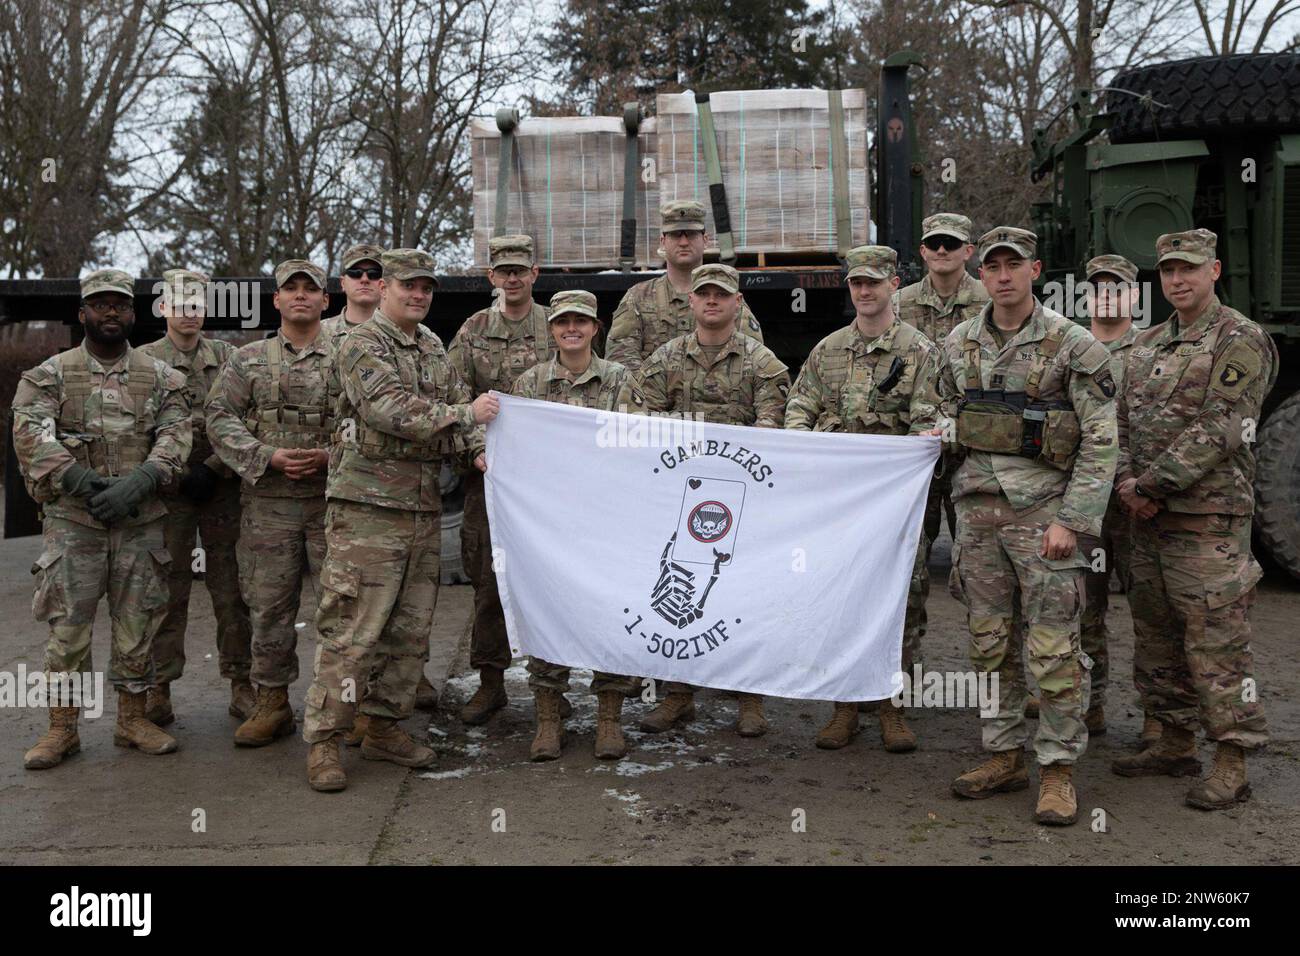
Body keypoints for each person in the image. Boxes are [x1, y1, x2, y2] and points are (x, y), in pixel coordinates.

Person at [934, 227, 1117, 826]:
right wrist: (937, 430)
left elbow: (1101, 439)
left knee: (1053, 647)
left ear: (1035, 269)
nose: (1004, 275)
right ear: (980, 274)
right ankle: (1004, 753)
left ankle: (1058, 770)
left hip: (1044, 516)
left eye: (1014, 264)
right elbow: (939, 407)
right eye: (993, 266)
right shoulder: (959, 342)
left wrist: (1075, 520)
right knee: (989, 645)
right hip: (977, 515)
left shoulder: (1073, 345)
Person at [302, 248, 495, 792]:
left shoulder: (433, 346)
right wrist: (465, 417)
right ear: (384, 288)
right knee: (351, 633)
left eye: (426, 288)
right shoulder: (361, 344)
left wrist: (477, 450)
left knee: (409, 634)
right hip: (367, 511)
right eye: (408, 285)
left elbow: (458, 409)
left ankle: (385, 727)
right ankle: (325, 741)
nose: (418, 295)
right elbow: (387, 409)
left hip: (421, 508)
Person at [1111, 229, 1275, 810]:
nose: (1177, 280)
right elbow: (1121, 425)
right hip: (1147, 520)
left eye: (1189, 269)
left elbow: (1223, 426)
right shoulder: (1146, 345)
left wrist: (1149, 485)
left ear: (1215, 270)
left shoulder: (1241, 340)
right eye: (1168, 271)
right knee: (1156, 635)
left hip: (1208, 523)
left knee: (1217, 642)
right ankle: (1174, 740)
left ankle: (1232, 759)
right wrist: (1129, 484)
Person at [14, 268, 192, 768]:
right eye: (100, 304)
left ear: (133, 315)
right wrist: (81, 481)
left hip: (140, 521)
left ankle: (132, 718)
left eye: (119, 304)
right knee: (68, 628)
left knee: (139, 623)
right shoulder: (48, 375)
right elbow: (30, 433)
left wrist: (143, 480)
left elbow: (177, 433)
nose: (110, 312)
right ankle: (61, 728)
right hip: (75, 523)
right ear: (82, 314)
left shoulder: (163, 378)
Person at [618, 263, 790, 738]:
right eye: (704, 294)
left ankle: (749, 697)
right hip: (680, 502)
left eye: (722, 295)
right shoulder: (666, 360)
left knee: (745, 594)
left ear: (738, 304)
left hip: (742, 504)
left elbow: (777, 420)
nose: (712, 301)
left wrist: (762, 432)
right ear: (691, 303)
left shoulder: (762, 363)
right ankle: (678, 695)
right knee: (678, 589)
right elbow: (637, 417)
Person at [785, 245, 940, 753]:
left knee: (901, 601)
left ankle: (892, 705)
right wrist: (812, 444)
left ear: (895, 284)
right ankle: (845, 706)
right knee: (842, 601)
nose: (866, 291)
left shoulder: (919, 352)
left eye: (874, 282)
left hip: (897, 507)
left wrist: (891, 452)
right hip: (840, 508)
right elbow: (799, 409)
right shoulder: (827, 351)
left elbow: (928, 424)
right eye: (857, 283)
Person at [206, 259, 335, 747]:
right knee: (267, 607)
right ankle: (272, 703)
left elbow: (368, 418)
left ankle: (342, 704)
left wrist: (330, 454)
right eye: (290, 289)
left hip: (332, 503)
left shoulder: (349, 354)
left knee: (340, 607)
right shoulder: (248, 359)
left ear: (326, 300)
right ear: (276, 300)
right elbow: (219, 417)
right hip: (268, 505)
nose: (300, 295)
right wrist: (266, 455)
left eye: (311, 289)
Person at [511, 290, 639, 761]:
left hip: (606, 520)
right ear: (552, 329)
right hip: (547, 523)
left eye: (581, 322)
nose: (572, 329)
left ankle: (609, 717)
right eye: (563, 321)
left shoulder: (620, 380)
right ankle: (548, 718)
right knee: (548, 612)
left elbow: (637, 440)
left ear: (595, 328)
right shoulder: (529, 385)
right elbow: (514, 446)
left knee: (611, 615)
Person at [1026, 254, 1141, 738]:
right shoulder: (1068, 347)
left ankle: (1159, 722)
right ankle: (1088, 704)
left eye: (1118, 287)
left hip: (1138, 503)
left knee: (1152, 612)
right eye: (1098, 287)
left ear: (1136, 296)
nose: (1107, 295)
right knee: (1083, 608)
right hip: (1082, 503)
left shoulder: (1152, 350)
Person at [447, 235, 554, 727]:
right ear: (491, 277)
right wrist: (473, 453)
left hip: (547, 482)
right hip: (488, 478)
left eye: (521, 270)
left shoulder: (556, 325)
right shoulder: (473, 330)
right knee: (489, 582)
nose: (512, 278)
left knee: (551, 581)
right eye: (503, 271)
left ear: (535, 274)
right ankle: (490, 684)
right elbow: (451, 399)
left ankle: (551, 688)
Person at [140, 268, 254, 725]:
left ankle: (242, 683)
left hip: (221, 489)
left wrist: (213, 467)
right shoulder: (144, 361)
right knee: (166, 591)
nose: (189, 312)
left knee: (232, 591)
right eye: (180, 304)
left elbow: (247, 419)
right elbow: (134, 427)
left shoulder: (229, 357)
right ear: (163, 307)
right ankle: (157, 687)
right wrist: (173, 471)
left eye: (197, 304)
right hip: (168, 494)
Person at [894, 213, 989, 554]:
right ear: (923, 251)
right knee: (908, 550)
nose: (942, 250)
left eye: (951, 244)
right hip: (916, 442)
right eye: (935, 244)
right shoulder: (898, 305)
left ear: (968, 251)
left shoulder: (989, 303)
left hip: (969, 444)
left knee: (976, 552)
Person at [606, 200, 762, 373]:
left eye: (691, 234)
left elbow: (754, 359)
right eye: (675, 235)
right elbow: (619, 361)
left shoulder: (728, 299)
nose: (683, 242)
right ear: (663, 241)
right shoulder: (637, 298)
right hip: (652, 397)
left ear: (705, 240)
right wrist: (652, 392)